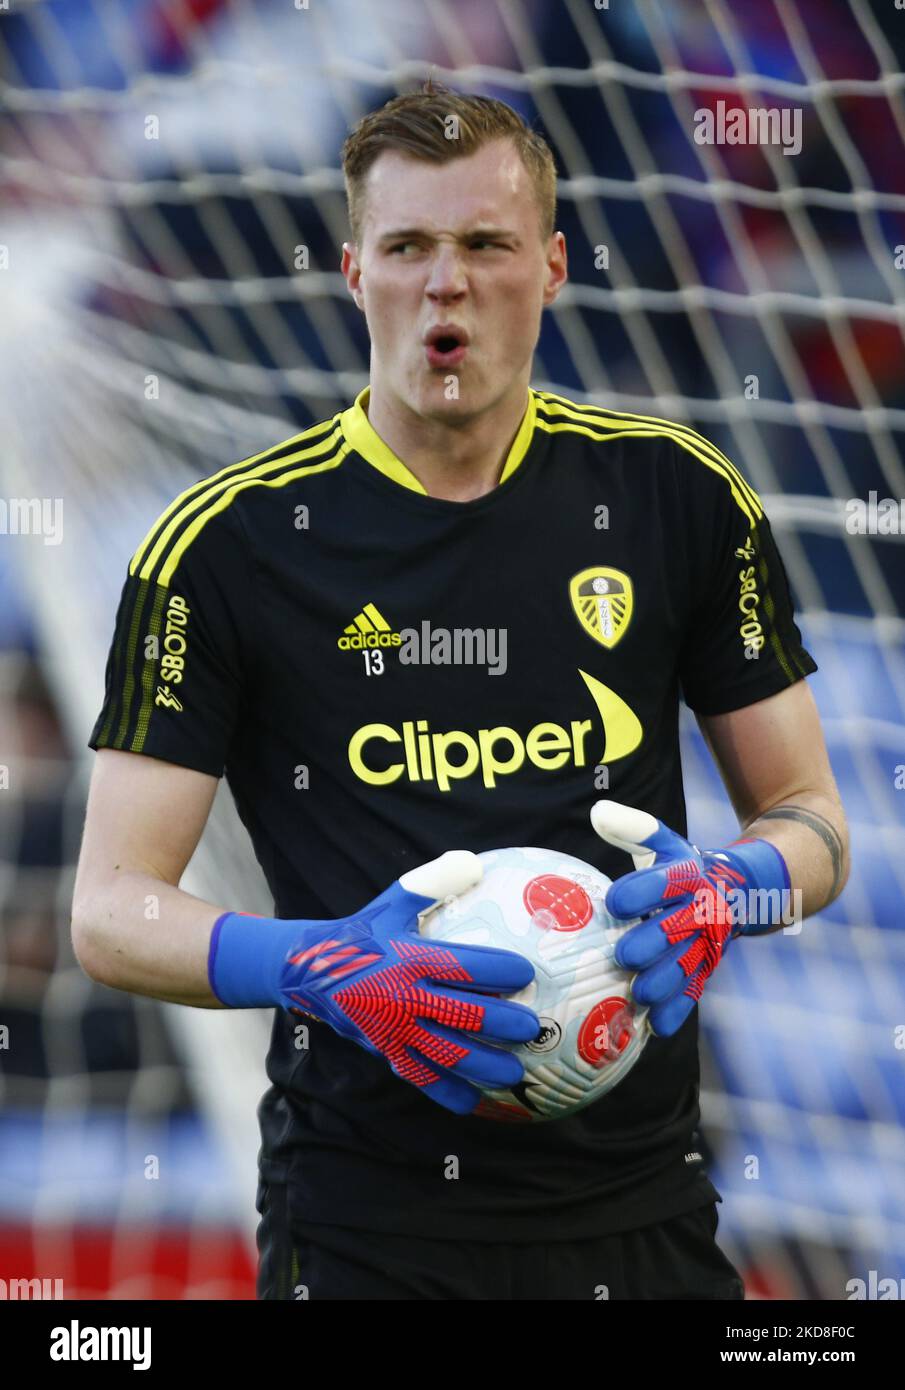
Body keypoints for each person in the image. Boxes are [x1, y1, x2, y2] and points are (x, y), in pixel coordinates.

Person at [71, 83, 850, 1301]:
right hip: (365, 1225)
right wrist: (320, 966)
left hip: (640, 1208)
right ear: (352, 272)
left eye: (483, 245)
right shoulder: (224, 546)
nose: (446, 283)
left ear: (547, 269)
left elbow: (810, 818)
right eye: (408, 248)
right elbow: (110, 909)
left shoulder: (676, 496)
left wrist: (732, 888)